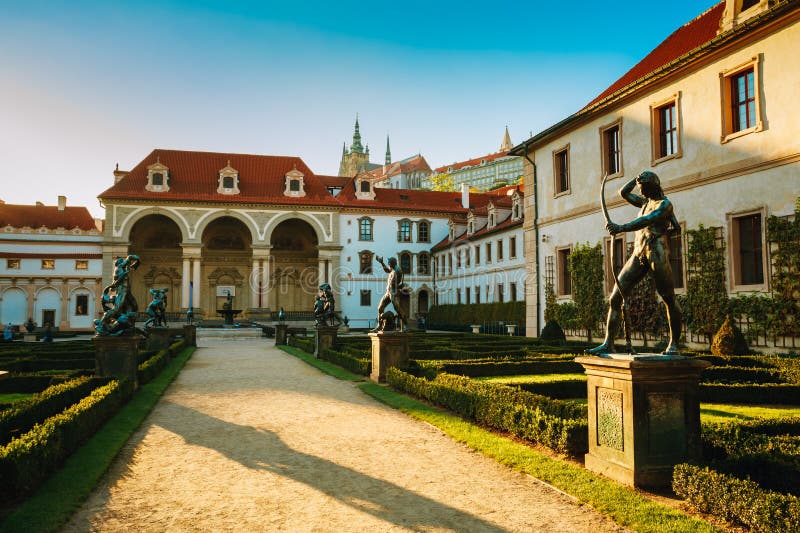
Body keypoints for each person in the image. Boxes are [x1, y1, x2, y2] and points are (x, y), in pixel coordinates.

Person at [588, 170, 682, 356]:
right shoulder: (645, 202)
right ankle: (608, 343)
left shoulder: (665, 205)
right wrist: (637, 177)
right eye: (640, 189)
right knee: (615, 297)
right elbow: (623, 193)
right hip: (639, 252)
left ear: (653, 186)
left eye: (644, 188)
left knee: (668, 298)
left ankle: (674, 344)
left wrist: (621, 227)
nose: (641, 192)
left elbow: (645, 220)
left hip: (656, 252)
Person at [373, 255, 407, 331]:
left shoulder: (398, 271)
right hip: (388, 291)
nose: (388, 264)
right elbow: (387, 270)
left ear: (393, 263)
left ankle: (404, 326)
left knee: (397, 308)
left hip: (394, 292)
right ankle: (379, 325)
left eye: (389, 263)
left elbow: (396, 283)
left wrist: (399, 286)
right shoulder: (392, 268)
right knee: (380, 308)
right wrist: (382, 263)